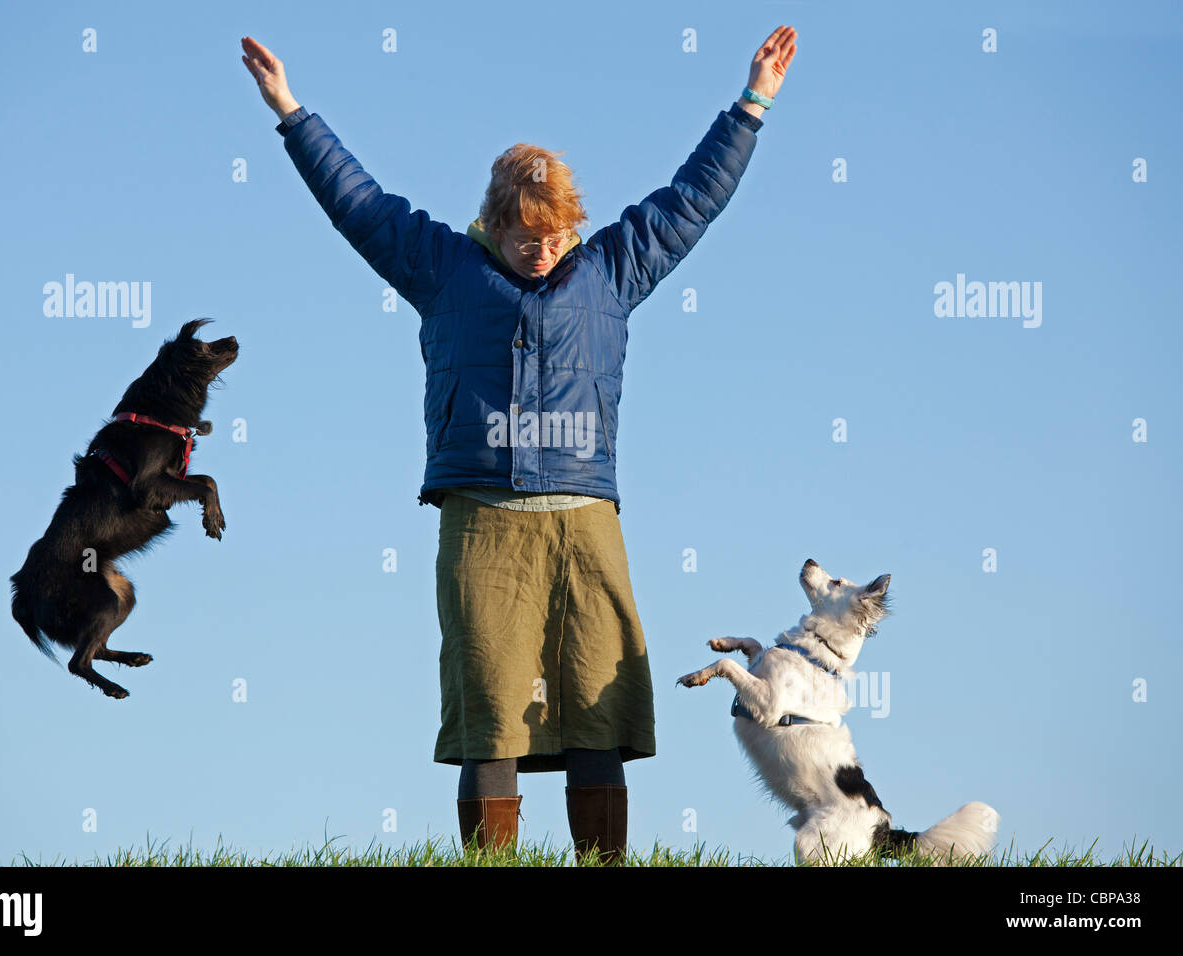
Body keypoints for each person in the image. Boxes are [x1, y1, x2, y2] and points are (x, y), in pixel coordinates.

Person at [241, 27, 797, 864]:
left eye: (553, 234)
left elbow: (691, 200)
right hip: (482, 522)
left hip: (584, 523)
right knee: (491, 710)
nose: (540, 249)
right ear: (492, 226)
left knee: (597, 709)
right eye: (522, 236)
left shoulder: (612, 271)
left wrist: (752, 102)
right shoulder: (441, 268)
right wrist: (290, 110)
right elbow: (359, 203)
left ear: (572, 224)